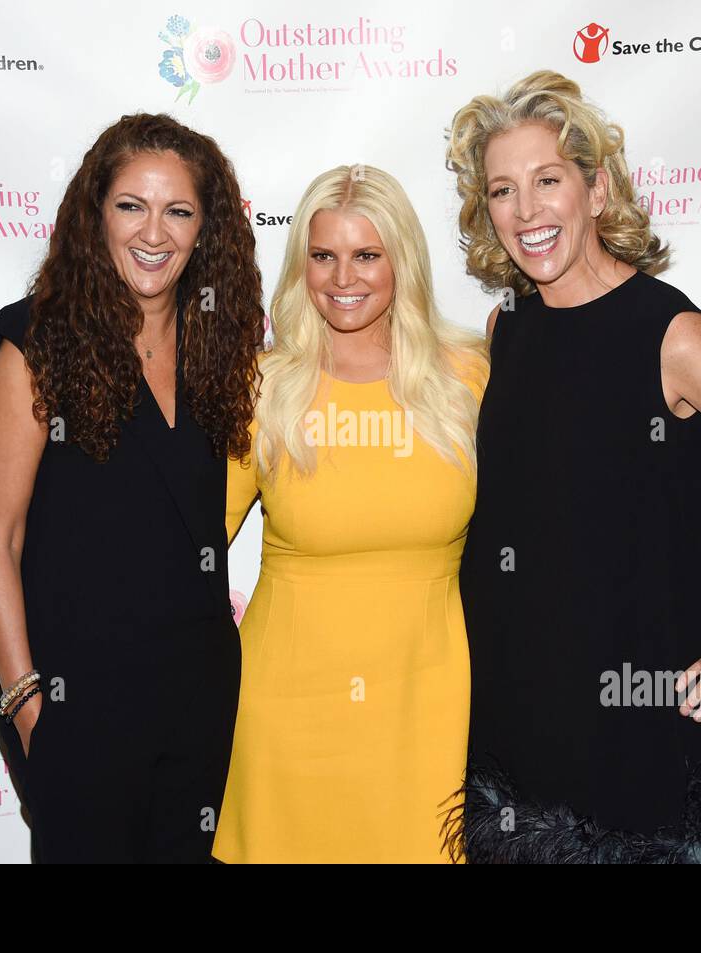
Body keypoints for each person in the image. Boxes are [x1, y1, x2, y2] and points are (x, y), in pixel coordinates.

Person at [442, 71, 701, 863]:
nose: (526, 212)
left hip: (634, 733)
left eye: (548, 180)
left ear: (596, 192)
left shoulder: (673, 337)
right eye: (503, 190)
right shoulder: (506, 328)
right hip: (509, 726)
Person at [0, 113, 263, 862]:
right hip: (78, 711)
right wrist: (26, 704)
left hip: (201, 707)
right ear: (95, 213)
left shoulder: (221, 343)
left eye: (179, 210)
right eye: (132, 204)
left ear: (208, 228)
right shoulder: (37, 339)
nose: (154, 232)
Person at [218, 165, 488, 862]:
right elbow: (181, 546)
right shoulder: (263, 389)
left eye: (367, 254)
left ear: (402, 261)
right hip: (284, 720)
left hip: (427, 716)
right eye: (323, 255)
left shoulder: (470, 378)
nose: (344, 277)